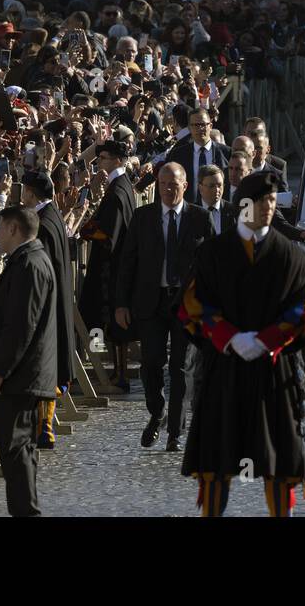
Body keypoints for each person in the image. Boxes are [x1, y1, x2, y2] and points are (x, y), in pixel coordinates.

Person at [178, 171, 305, 517]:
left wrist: (268, 340)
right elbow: (190, 305)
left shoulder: (291, 255)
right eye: (260, 201)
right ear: (244, 204)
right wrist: (229, 337)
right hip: (223, 369)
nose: (268, 207)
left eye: (272, 201)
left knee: (280, 462)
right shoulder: (212, 253)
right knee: (216, 460)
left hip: (274, 371)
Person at [0, 206, 57, 517]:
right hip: (24, 375)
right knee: (20, 449)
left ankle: (26, 513)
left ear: (12, 229)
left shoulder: (29, 264)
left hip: (20, 377)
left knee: (16, 448)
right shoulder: (28, 259)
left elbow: (20, 326)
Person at [115, 163, 196, 451]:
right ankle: (157, 412)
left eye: (174, 184)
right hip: (152, 300)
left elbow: (211, 267)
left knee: (180, 367)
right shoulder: (143, 217)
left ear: (184, 185)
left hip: (186, 303)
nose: (168, 189)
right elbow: (128, 262)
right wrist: (122, 303)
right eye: (163, 184)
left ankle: (175, 432)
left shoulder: (198, 218)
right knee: (151, 363)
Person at [20, 171, 74, 450]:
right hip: (56, 301)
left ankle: (45, 428)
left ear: (30, 193)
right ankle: (44, 427)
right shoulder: (51, 216)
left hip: (46, 305)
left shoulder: (41, 222)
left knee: (44, 366)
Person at [77, 139, 137, 391]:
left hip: (110, 267)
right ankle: (113, 371)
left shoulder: (117, 190)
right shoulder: (119, 187)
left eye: (103, 158)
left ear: (117, 160)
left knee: (112, 321)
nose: (99, 162)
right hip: (113, 264)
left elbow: (108, 233)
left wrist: (88, 230)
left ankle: (118, 374)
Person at [166, 107, 231, 204]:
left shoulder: (226, 153)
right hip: (188, 212)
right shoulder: (178, 154)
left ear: (211, 126)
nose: (200, 128)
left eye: (203, 124)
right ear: (189, 128)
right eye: (195, 125)